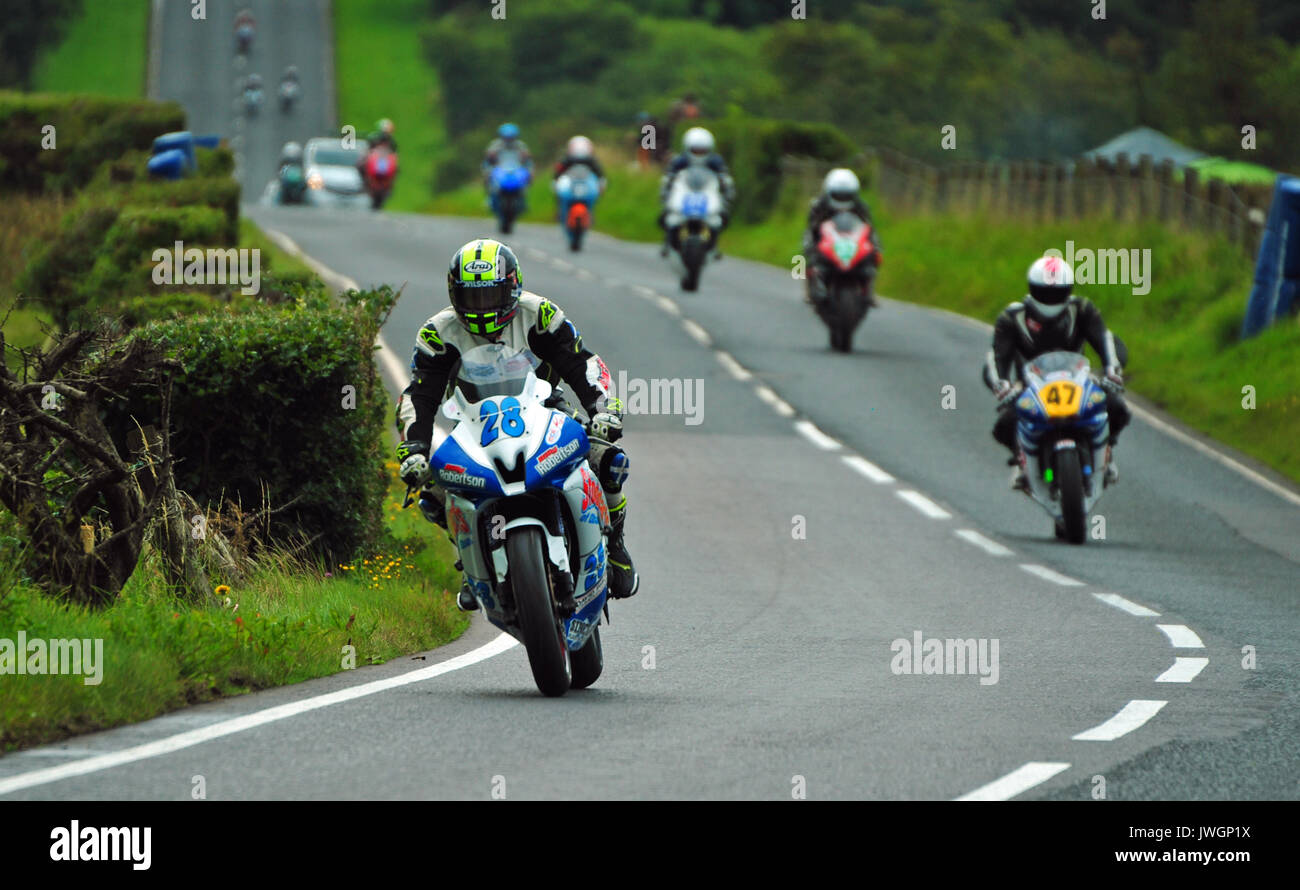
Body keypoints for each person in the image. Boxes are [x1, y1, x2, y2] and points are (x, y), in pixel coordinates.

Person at [394, 239, 638, 610]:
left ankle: (616, 542)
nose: (483, 308)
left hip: (543, 408)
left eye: (492, 295)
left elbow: (580, 364)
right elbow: (419, 397)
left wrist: (602, 409)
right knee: (433, 491)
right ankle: (470, 562)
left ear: (513, 285)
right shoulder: (437, 333)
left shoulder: (539, 314)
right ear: (453, 294)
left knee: (609, 460)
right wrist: (414, 449)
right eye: (473, 298)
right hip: (474, 422)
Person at [986, 255, 1130, 491]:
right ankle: (1022, 461)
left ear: (1068, 290)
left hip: (1080, 380)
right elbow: (996, 355)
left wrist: (1112, 370)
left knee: (1116, 407)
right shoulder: (1012, 318)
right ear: (1033, 289)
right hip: (1030, 387)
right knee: (1005, 423)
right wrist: (1001, 384)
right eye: (1045, 292)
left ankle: (1107, 452)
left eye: (1057, 292)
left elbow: (1105, 340)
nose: (1051, 300)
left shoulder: (1082, 309)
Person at [802, 168, 881, 307]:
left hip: (851, 239)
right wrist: (810, 243)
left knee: (873, 257)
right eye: (838, 195)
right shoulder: (819, 205)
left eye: (846, 196)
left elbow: (869, 227)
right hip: (826, 240)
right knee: (808, 255)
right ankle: (810, 288)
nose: (842, 199)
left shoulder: (861, 206)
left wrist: (875, 247)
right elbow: (811, 228)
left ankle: (869, 291)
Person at [657, 127, 736, 255]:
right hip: (685, 191)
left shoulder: (715, 161)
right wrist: (665, 193)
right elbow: (668, 178)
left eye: (702, 151)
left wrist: (727, 192)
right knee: (667, 217)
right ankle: (668, 242)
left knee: (720, 219)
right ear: (687, 148)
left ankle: (713, 246)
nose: (698, 154)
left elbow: (725, 179)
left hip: (706, 192)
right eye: (695, 150)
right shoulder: (680, 160)